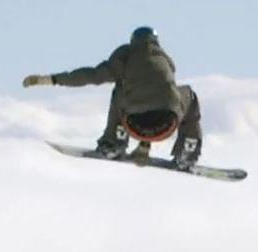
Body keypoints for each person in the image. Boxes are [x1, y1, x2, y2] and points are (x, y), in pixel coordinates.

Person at [23, 26, 203, 167]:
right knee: (186, 96)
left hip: (135, 125)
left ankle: (114, 143)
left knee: (120, 90)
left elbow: (91, 76)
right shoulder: (165, 59)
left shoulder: (126, 54)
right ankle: (188, 152)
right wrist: (144, 146)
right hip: (166, 125)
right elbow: (158, 101)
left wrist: (51, 79)